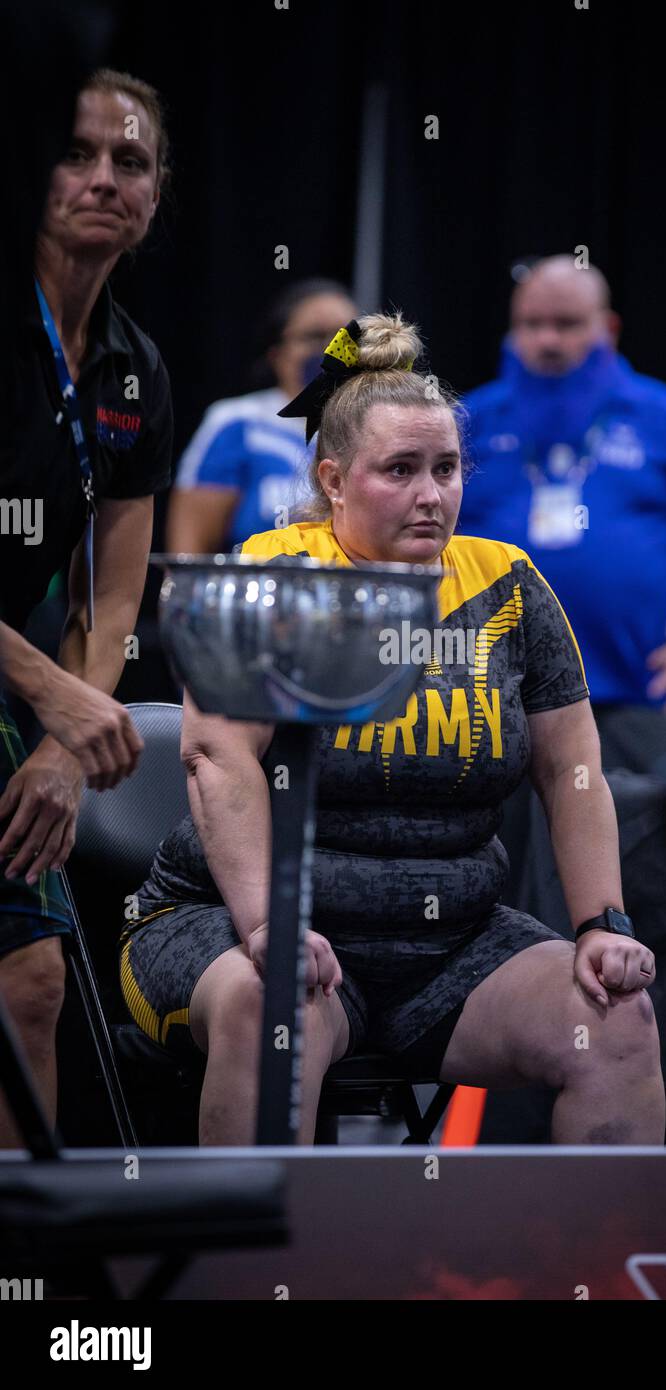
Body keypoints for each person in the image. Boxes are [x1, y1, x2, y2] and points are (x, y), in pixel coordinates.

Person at [119, 313, 666, 1146]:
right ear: (334, 480)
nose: (430, 494)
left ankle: (598, 1275)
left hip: (452, 947)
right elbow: (215, 752)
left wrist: (602, 925)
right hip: (236, 924)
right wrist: (270, 927)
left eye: (446, 469)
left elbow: (573, 769)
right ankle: (257, 1277)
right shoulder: (274, 574)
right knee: (276, 1013)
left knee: (616, 1021)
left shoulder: (509, 586)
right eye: (400, 470)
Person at [0, 68, 174, 1145]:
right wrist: (50, 694)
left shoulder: (135, 371)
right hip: (15, 674)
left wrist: (65, 747)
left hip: (16, 687)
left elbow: (113, 601)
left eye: (132, 161)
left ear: (155, 200)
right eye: (77, 153)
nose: (104, 178)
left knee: (32, 989)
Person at [458, 255, 666, 773]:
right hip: (491, 699)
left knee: (632, 842)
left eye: (567, 324)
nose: (548, 341)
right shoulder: (470, 420)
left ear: (608, 328)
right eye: (531, 325)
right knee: (504, 849)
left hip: (634, 694)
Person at [166, 279, 358, 553]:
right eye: (315, 336)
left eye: (345, 337)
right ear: (277, 354)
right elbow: (188, 555)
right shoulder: (237, 423)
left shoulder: (377, 428)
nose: (331, 349)